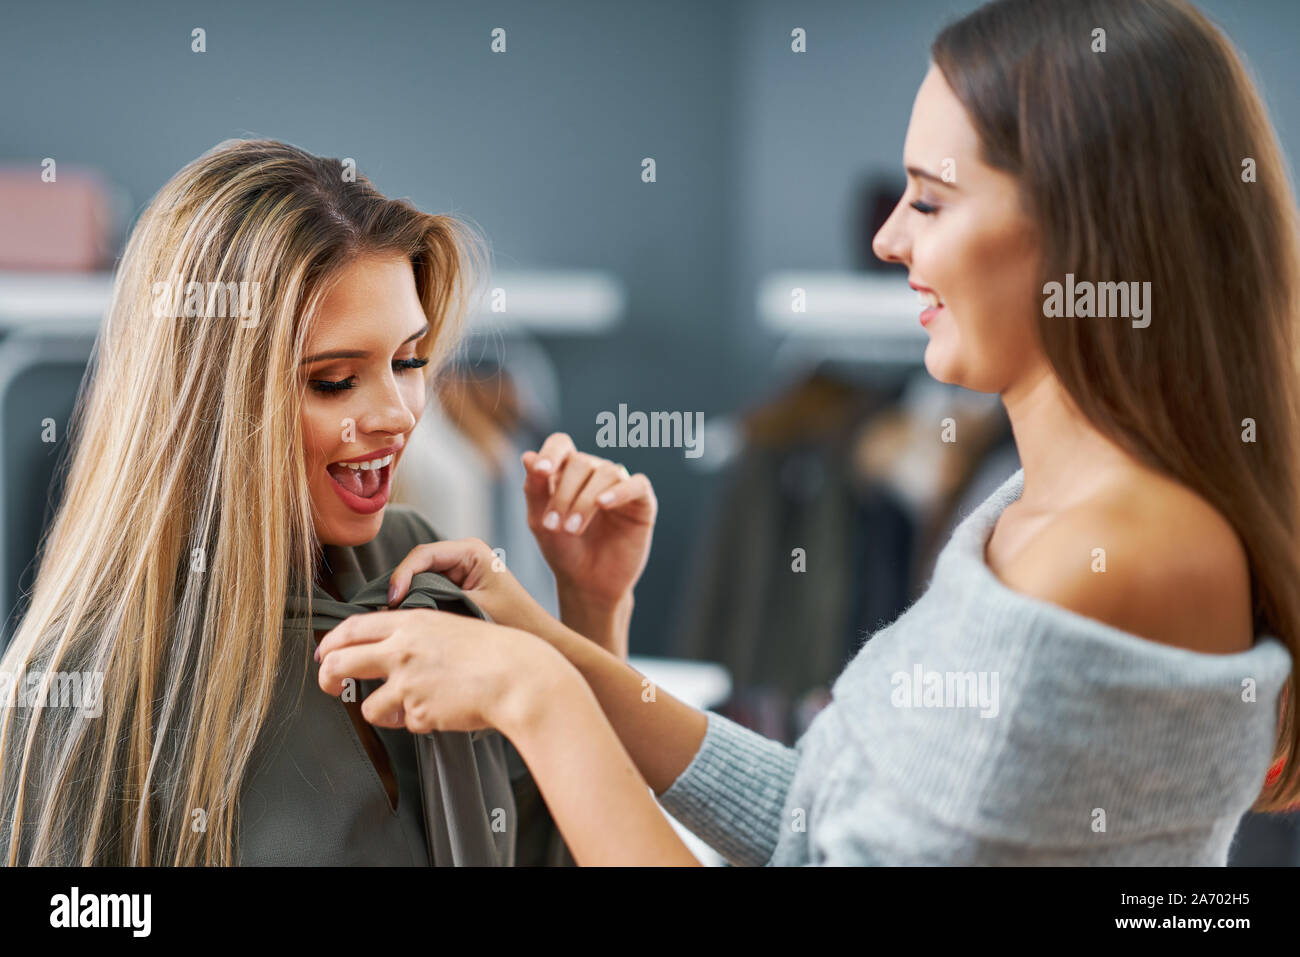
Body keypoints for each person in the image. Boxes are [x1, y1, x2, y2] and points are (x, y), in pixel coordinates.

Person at [314, 0, 1300, 865]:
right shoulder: (1029, 511)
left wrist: (538, 695)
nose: (888, 241)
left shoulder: (1114, 560)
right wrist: (552, 639)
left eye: (931, 199)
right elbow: (820, 819)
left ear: (1086, 229)